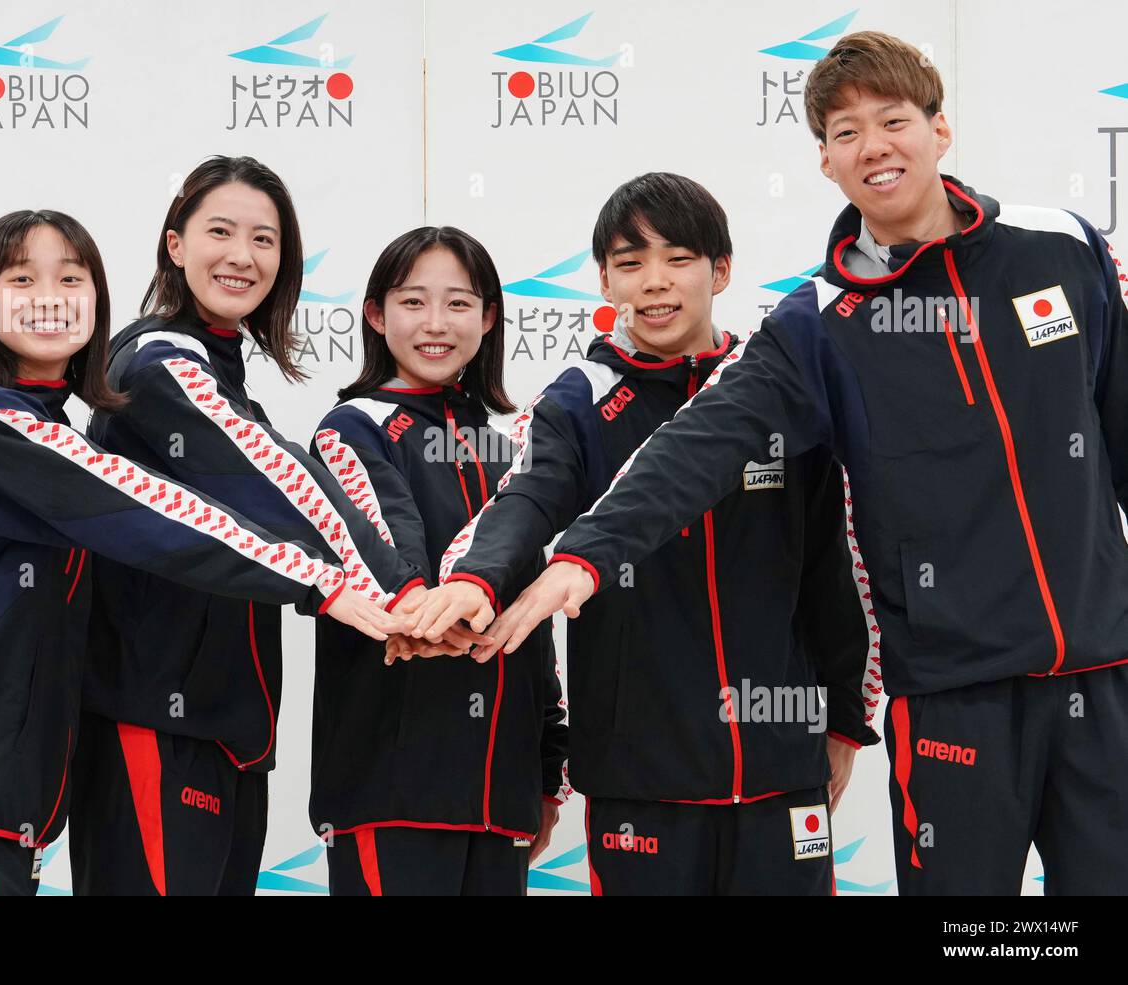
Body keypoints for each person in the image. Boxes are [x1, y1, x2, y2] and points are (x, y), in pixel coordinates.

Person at [461, 32, 1128, 896]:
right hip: (952, 699)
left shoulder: (1062, 245)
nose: (874, 146)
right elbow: (693, 450)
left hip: (1105, 676)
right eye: (846, 132)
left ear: (939, 129)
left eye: (893, 121)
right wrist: (581, 558)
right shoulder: (817, 322)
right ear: (824, 161)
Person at [0, 209, 401, 896]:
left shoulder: (36, 419)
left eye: (72, 278)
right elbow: (150, 511)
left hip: (0, 801)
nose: (51, 297)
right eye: (22, 279)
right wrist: (318, 581)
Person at [413, 176, 878, 895]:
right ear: (603, 278)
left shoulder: (781, 388)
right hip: (639, 781)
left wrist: (843, 716)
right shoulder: (580, 399)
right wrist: (475, 578)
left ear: (721, 270)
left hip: (780, 770)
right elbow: (525, 498)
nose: (655, 283)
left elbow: (832, 571)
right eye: (630, 263)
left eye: (679, 258)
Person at [68, 157, 422, 896]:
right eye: (220, 231)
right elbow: (278, 480)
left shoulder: (220, 366)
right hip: (154, 720)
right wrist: (404, 593)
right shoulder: (158, 360)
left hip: (227, 733)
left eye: (264, 239)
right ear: (175, 245)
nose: (242, 255)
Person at [308, 226, 567, 895]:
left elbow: (533, 624)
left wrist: (545, 771)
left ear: (487, 318)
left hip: (499, 797)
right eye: (413, 301)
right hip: (390, 790)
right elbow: (392, 563)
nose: (435, 323)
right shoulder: (353, 427)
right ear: (375, 314)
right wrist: (436, 614)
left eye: (457, 304)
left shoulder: (510, 446)